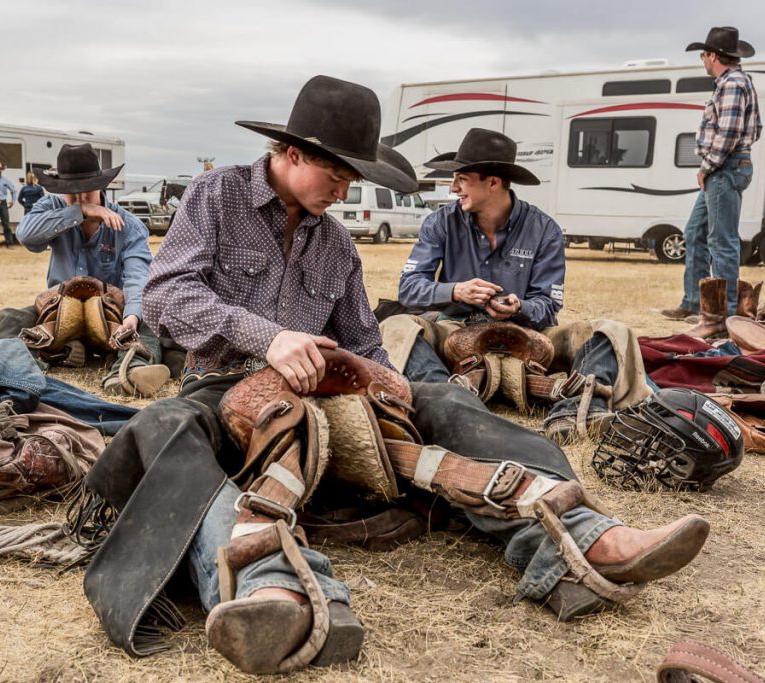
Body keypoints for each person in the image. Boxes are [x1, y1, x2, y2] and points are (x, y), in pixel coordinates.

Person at [73, 76, 710, 675]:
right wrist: (268, 337)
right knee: (164, 425)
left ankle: (579, 535)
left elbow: (366, 345)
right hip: (225, 385)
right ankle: (267, 583)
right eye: (338, 172)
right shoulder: (217, 197)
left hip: (330, 392)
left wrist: (382, 380)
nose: (345, 191)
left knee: (445, 406)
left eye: (354, 177)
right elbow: (163, 295)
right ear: (291, 153)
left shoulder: (338, 246)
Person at [382, 127, 652, 443]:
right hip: (455, 328)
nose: (454, 187)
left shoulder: (544, 229)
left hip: (532, 336)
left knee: (611, 331)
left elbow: (548, 304)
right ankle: (446, 399)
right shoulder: (440, 222)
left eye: (462, 178)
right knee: (397, 325)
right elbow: (409, 288)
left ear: (493, 183)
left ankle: (577, 409)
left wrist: (519, 307)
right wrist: (456, 291)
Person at [0, 143, 173, 396]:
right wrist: (80, 211)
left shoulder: (130, 225)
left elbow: (137, 275)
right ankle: (22, 368)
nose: (78, 198)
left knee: (148, 321)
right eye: (70, 194)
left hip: (112, 315)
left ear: (101, 186)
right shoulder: (51, 206)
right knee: (13, 320)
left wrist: (131, 317)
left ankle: (130, 372)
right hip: (60, 311)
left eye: (86, 193)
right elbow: (26, 235)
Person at [661, 26, 761, 324]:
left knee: (722, 241)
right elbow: (755, 130)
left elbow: (729, 133)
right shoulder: (736, 83)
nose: (703, 60)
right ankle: (695, 302)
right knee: (695, 233)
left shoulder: (732, 84)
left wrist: (708, 166)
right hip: (727, 168)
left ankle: (724, 313)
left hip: (724, 168)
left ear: (713, 56)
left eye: (703, 55)